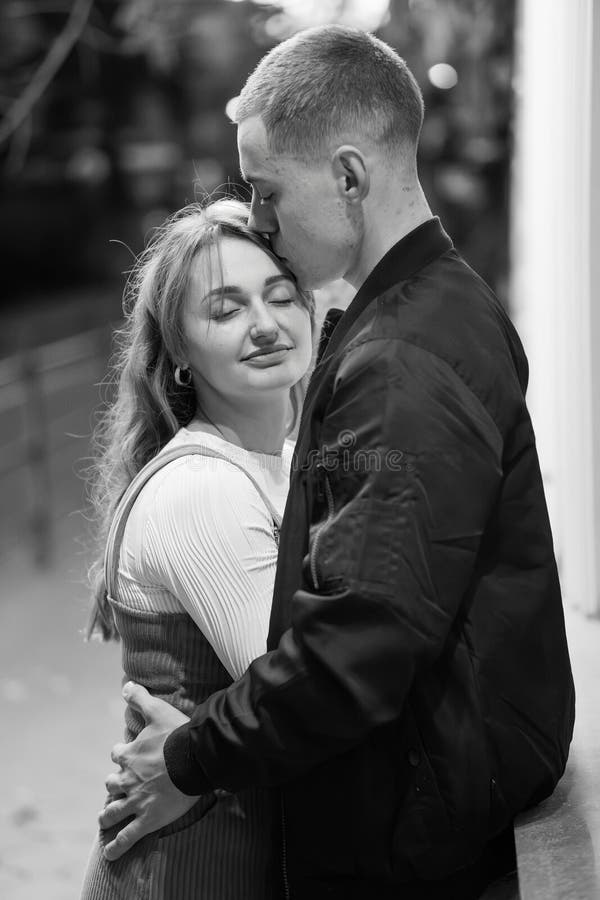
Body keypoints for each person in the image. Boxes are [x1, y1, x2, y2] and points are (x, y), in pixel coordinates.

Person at [99, 25, 575, 899]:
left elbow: (355, 646)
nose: (265, 220)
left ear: (350, 176)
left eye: (270, 191)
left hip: (418, 838)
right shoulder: (443, 304)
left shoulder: (401, 357)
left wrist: (187, 756)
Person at [79, 198, 315, 899]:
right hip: (187, 872)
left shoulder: (290, 457)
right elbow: (300, 702)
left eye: (280, 296)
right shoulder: (203, 489)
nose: (266, 324)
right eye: (226, 309)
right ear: (179, 350)